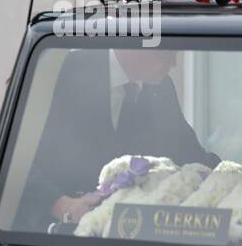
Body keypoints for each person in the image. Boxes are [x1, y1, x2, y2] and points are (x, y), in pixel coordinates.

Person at [24, 48, 216, 229]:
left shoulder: (162, 88)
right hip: (52, 240)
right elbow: (12, 159)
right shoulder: (60, 71)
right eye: (165, 52)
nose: (173, 62)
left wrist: (235, 177)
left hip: (127, 238)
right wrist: (63, 206)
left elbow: (190, 154)